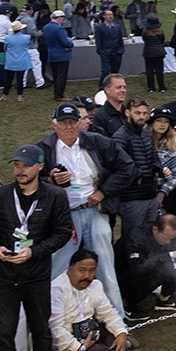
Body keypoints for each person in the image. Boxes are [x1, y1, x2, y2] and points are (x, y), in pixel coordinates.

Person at [0, 143, 74, 351]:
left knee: (41, 329)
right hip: (4, 276)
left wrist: (34, 252)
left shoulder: (55, 196)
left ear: (40, 166)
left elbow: (62, 233)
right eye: (16, 165)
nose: (20, 170)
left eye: (25, 165)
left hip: (36, 275)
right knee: (3, 334)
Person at [38, 102, 135, 314]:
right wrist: (51, 180)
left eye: (73, 122)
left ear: (80, 123)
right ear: (54, 125)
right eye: (64, 123)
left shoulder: (97, 142)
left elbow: (127, 167)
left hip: (94, 210)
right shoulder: (43, 149)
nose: (69, 127)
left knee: (104, 265)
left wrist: (103, 191)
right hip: (64, 217)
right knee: (59, 269)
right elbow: (30, 182)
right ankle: (55, 321)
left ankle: (117, 322)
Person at [49, 248, 129, 351]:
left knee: (113, 333)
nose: (87, 276)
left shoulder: (95, 285)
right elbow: (55, 330)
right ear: (70, 270)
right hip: (63, 350)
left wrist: (121, 334)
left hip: (88, 334)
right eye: (81, 270)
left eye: (92, 271)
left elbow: (108, 313)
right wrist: (80, 347)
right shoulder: (56, 290)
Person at [115, 212, 176, 316]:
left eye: (170, 238)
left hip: (139, 271)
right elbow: (139, 267)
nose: (168, 242)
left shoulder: (163, 234)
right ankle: (128, 304)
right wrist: (170, 255)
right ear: (155, 229)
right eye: (165, 238)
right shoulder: (135, 238)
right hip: (123, 277)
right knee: (164, 267)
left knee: (170, 266)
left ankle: (165, 299)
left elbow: (174, 245)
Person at [111, 96, 164, 239]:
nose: (141, 117)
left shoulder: (147, 134)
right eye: (137, 113)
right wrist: (139, 176)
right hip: (132, 198)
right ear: (127, 112)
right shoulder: (120, 137)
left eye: (144, 113)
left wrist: (160, 169)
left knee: (151, 237)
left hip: (150, 194)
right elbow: (121, 166)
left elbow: (154, 158)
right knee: (133, 238)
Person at [42, 9, 74, 101]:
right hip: (61, 54)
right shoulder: (59, 29)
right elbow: (65, 42)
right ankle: (59, 95)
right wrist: (70, 42)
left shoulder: (46, 27)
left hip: (51, 54)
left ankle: (57, 93)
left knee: (56, 75)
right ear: (59, 18)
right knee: (61, 76)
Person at [0, 20, 31, 102]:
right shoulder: (26, 37)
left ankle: (4, 95)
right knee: (20, 78)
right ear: (21, 29)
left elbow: (5, 48)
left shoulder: (7, 38)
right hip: (22, 60)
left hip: (11, 60)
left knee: (8, 79)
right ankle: (19, 96)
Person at [94, 7, 125, 79]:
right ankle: (102, 87)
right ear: (104, 16)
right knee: (105, 71)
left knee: (115, 72)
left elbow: (120, 39)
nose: (110, 16)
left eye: (111, 15)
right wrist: (101, 51)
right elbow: (98, 41)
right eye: (108, 15)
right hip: (105, 52)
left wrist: (121, 50)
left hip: (117, 52)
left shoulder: (117, 27)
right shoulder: (100, 28)